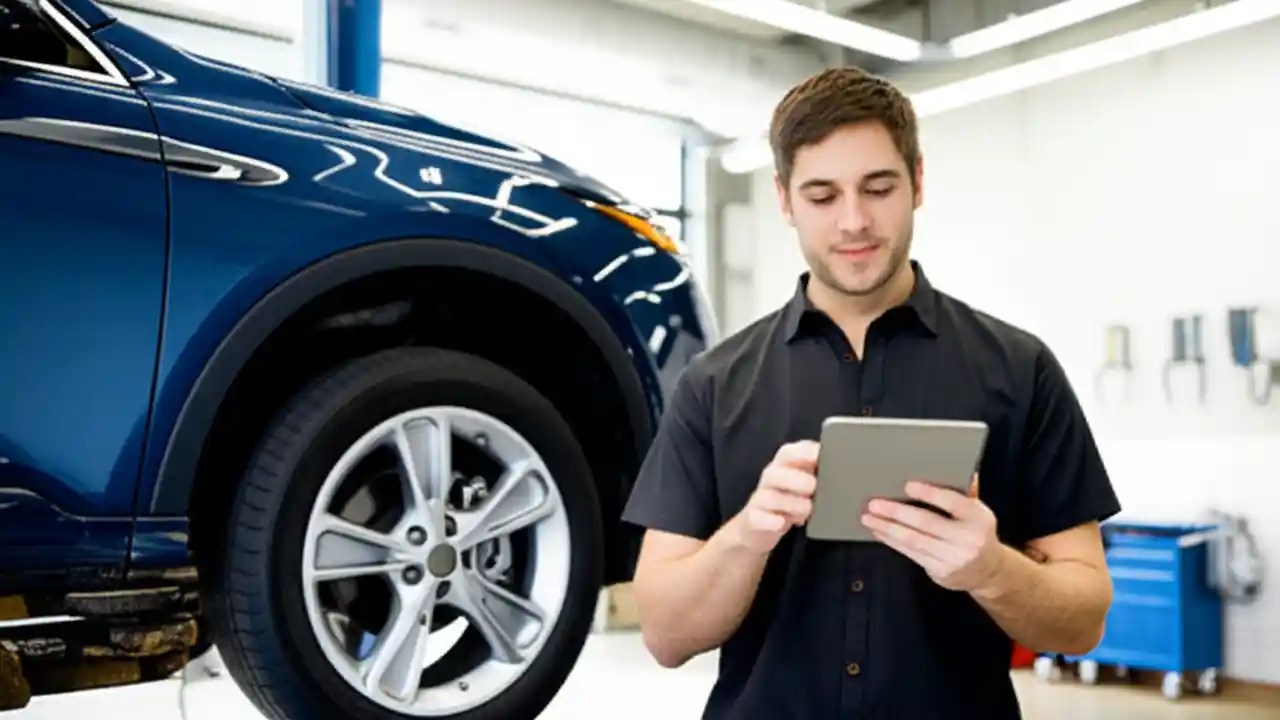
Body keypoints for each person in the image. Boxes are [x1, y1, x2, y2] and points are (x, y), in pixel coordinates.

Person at [621, 66, 1122, 719]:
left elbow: (1083, 621)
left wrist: (990, 569)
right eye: (822, 195)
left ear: (917, 181)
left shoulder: (1020, 370)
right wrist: (747, 535)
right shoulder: (713, 386)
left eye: (878, 188)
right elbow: (664, 635)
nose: (853, 221)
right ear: (784, 199)